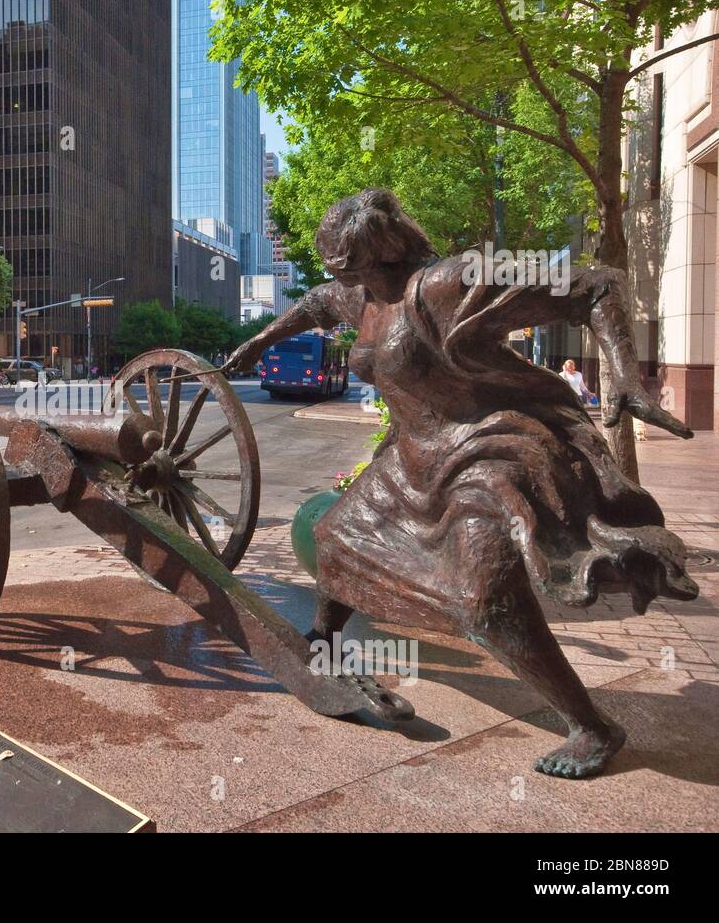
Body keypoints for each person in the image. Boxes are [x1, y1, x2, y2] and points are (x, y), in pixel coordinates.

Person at [224, 188, 696, 779]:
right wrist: (258, 343)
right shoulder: (361, 295)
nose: (346, 281)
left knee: (485, 604)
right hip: (410, 462)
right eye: (340, 271)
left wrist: (625, 378)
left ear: (385, 254)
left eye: (355, 268)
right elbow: (318, 304)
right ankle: (322, 636)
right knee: (338, 537)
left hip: (484, 457)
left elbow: (594, 284)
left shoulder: (448, 283)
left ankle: (593, 728)